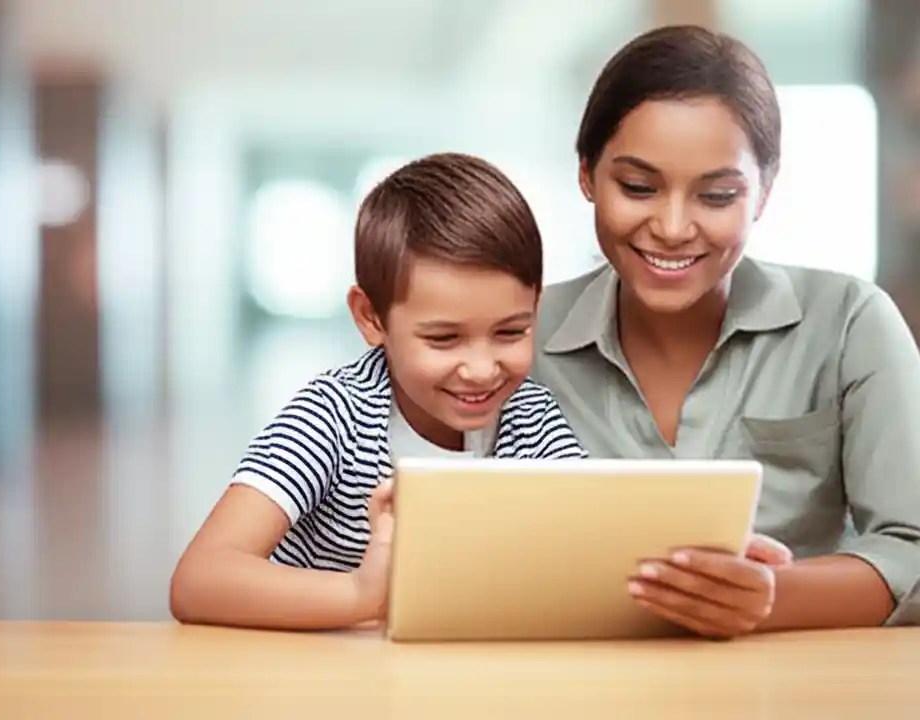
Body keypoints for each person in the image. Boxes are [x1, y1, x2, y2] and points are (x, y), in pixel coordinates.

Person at [534, 25, 920, 637]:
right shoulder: (517, 339)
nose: (672, 226)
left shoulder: (848, 322)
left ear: (763, 193)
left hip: (790, 688)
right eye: (638, 187)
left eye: (716, 195)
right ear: (586, 175)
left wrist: (773, 598)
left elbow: (914, 545)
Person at [170, 152, 587, 630]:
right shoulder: (332, 415)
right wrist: (361, 595)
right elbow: (198, 580)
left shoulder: (531, 418)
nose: (480, 369)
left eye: (511, 332)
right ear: (371, 318)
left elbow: (587, 550)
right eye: (444, 339)